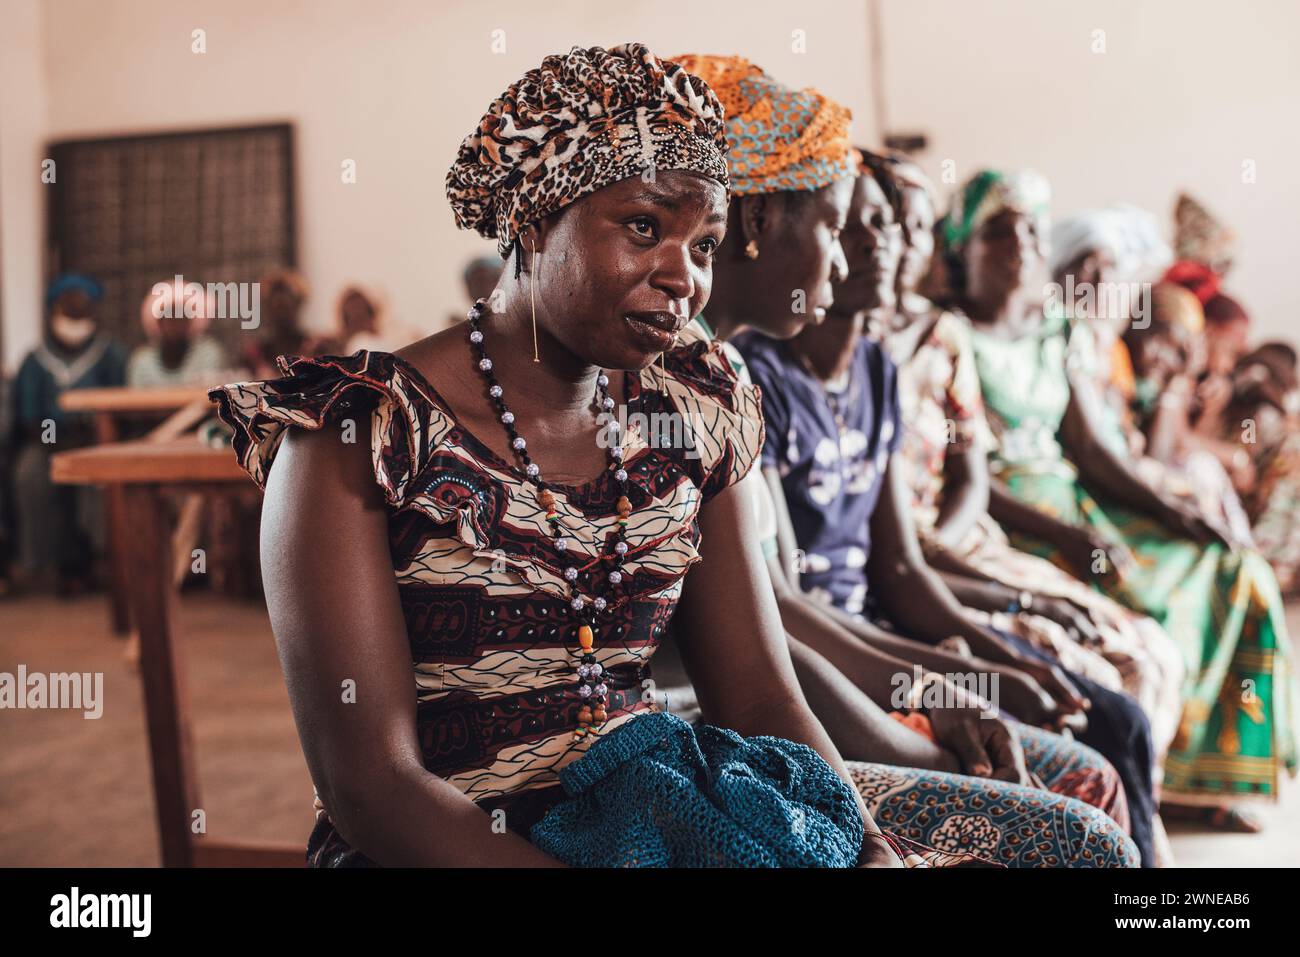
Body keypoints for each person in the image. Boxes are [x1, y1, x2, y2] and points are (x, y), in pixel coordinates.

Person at [212, 43, 908, 868]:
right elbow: (373, 786)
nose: (682, 276)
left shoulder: (695, 403)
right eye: (644, 227)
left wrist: (867, 846)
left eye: (705, 244)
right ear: (535, 221)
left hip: (660, 816)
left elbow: (758, 692)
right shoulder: (359, 436)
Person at [942, 168, 1298, 829]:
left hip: (1076, 503)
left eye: (1030, 227)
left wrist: (1174, 512)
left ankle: (1207, 773)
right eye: (1000, 229)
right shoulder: (951, 335)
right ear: (964, 244)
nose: (1021, 243)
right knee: (1148, 601)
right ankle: (1154, 777)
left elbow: (1093, 450)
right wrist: (1079, 538)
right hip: (1016, 519)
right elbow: (964, 476)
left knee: (1233, 564)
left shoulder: (1053, 332)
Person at [11, 274, 126, 592]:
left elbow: (119, 404)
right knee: (30, 475)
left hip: (96, 440)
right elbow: (29, 417)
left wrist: (88, 438)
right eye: (68, 313)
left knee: (99, 478)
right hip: (48, 441)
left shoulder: (110, 354)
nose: (74, 320)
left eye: (81, 313)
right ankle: (48, 564)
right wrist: (56, 442)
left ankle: (100, 560)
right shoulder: (35, 361)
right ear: (53, 314)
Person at [126, 279, 230, 387]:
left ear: (191, 321)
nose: (176, 324)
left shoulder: (208, 354)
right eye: (171, 318)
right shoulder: (142, 361)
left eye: (183, 318)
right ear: (160, 323)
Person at [239, 268, 329, 378]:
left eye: (284, 308)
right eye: (274, 308)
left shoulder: (316, 349)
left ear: (297, 307)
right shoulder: (254, 355)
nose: (280, 316)